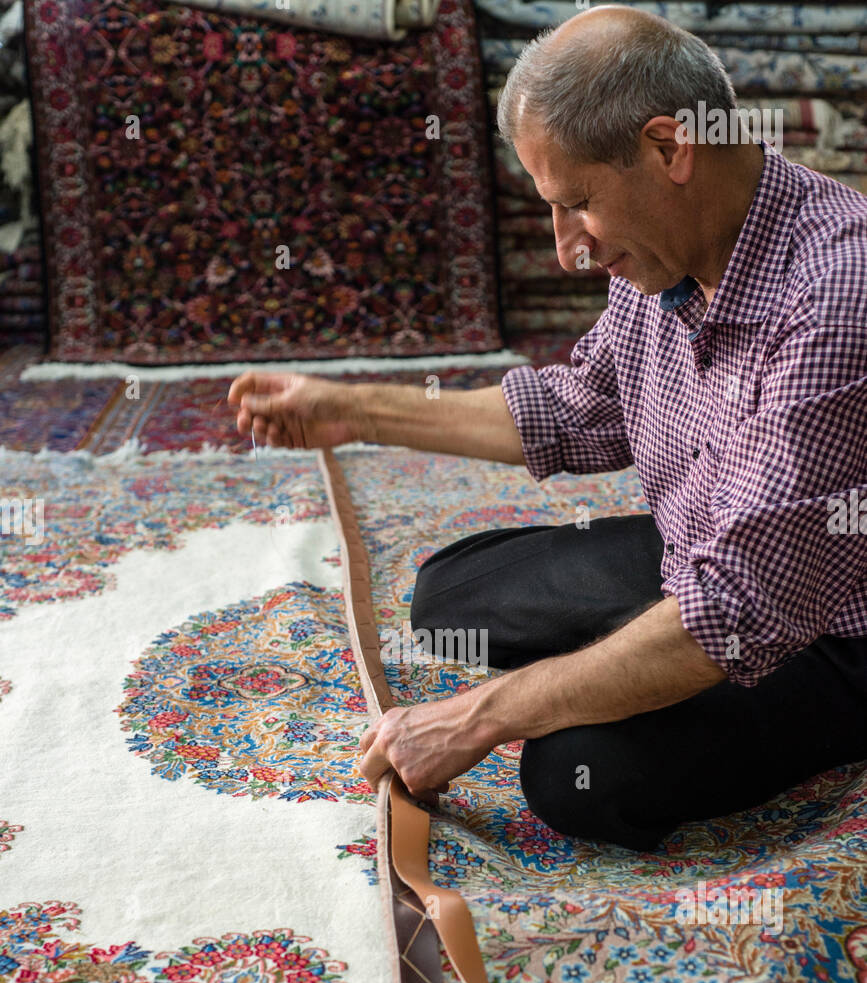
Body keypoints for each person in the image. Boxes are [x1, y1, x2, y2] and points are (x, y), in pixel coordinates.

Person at [228, 5, 867, 851]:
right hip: (718, 547)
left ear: (670, 148)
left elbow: (736, 608)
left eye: (576, 206)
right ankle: (637, 651)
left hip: (831, 626)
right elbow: (577, 407)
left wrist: (477, 718)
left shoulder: (833, 294)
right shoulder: (669, 248)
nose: (568, 248)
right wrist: (349, 410)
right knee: (447, 597)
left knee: (576, 773)